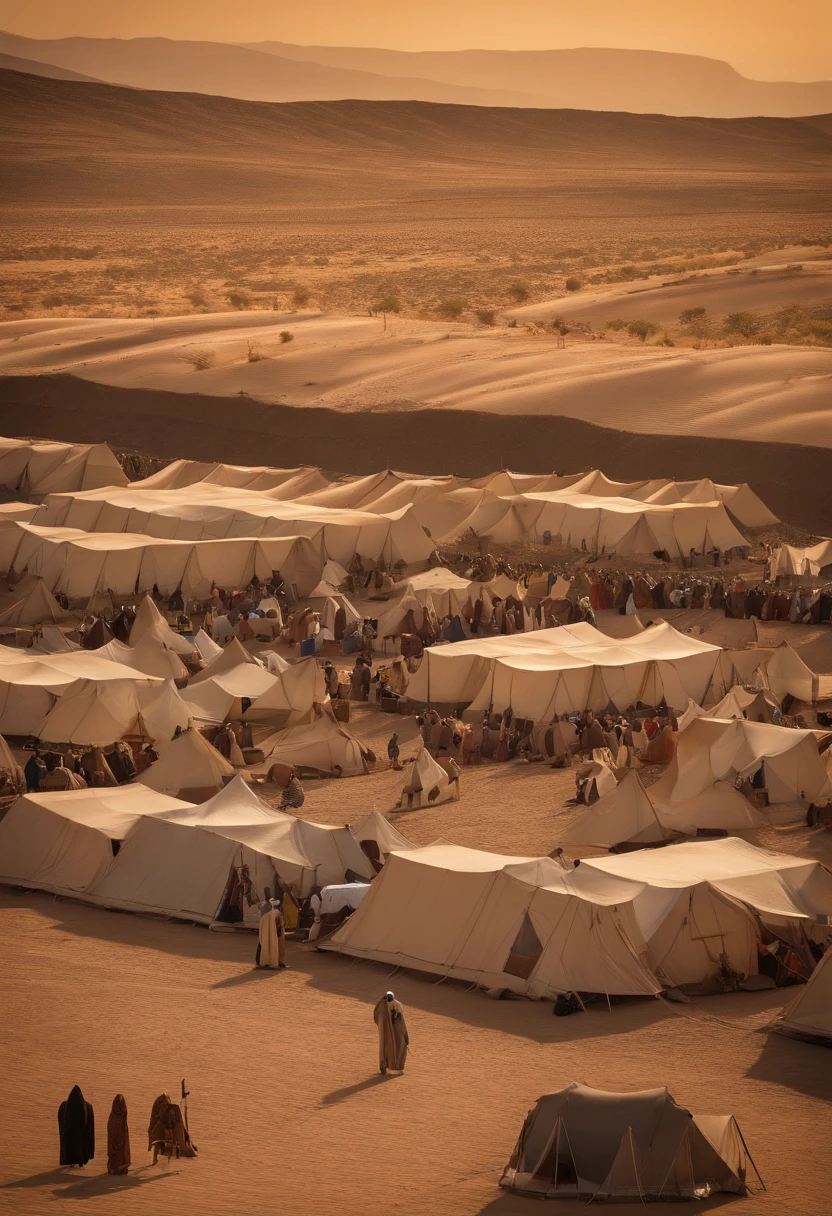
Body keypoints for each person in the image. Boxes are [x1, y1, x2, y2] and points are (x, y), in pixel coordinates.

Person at [373, 990, 409, 1075]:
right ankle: (388, 1066)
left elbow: (400, 1017)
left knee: (399, 1045)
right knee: (388, 1047)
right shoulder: (383, 1006)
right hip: (387, 1030)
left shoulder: (397, 1004)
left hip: (396, 1028)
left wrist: (395, 1016)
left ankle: (395, 1066)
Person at [58, 1085, 95, 1167]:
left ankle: (72, 1161)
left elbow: (61, 1122)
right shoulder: (88, 1106)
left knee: (71, 1146)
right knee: (80, 1146)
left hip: (70, 1133)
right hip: (81, 1133)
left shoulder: (64, 1106)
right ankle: (80, 1161)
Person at [256, 898, 287, 970]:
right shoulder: (275, 913)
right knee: (267, 943)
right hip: (269, 927)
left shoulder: (267, 910)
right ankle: (269, 961)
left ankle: (266, 961)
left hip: (267, 928)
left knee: (265, 943)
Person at [107, 1094, 131, 1175]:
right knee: (121, 1153)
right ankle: (120, 1168)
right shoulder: (122, 1115)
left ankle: (115, 1168)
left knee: (116, 1153)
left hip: (115, 1140)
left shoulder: (113, 1116)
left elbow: (110, 1129)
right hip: (119, 1140)